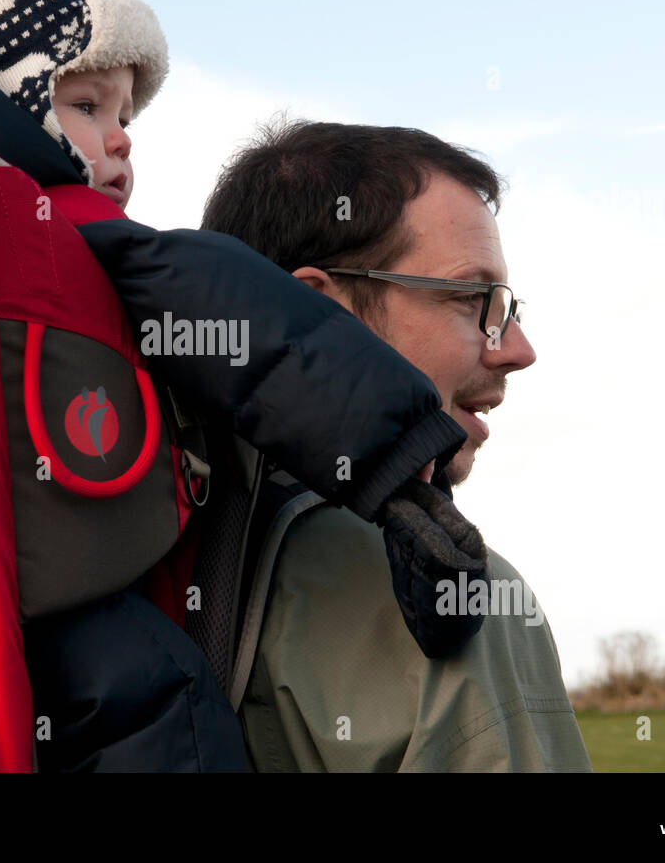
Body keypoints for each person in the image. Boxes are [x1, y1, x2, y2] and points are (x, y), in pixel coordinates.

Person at [0, 0, 489, 770]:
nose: (122, 137)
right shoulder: (42, 216)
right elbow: (253, 325)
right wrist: (398, 466)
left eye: (126, 113)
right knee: (164, 695)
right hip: (49, 604)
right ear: (2, 98)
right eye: (87, 105)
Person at [202, 119, 594, 772]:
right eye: (474, 298)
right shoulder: (450, 593)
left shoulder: (174, 530)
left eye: (508, 306)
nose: (517, 349)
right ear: (322, 316)